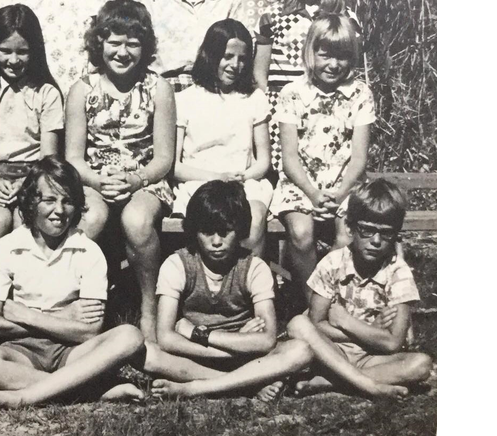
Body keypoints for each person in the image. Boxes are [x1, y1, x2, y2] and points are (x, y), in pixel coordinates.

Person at [0, 156, 145, 407]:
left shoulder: (88, 251)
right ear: (30, 202)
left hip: (71, 352)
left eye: (68, 201)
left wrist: (26, 315)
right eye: (49, 200)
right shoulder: (8, 246)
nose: (59, 211)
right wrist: (65, 317)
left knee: (130, 336)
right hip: (21, 351)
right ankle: (92, 389)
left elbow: (89, 331)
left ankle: (23, 396)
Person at [65, 0, 175, 340]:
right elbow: (73, 158)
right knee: (91, 219)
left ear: (146, 46)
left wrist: (135, 179)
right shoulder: (82, 89)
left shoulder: (158, 89)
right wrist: (99, 180)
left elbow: (164, 159)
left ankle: (147, 310)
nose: (123, 52)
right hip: (93, 179)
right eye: (114, 42)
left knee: (137, 221)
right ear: (99, 42)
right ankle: (77, 305)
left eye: (133, 43)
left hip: (143, 179)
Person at [143, 180, 311, 399]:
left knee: (300, 351)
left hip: (233, 353)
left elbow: (267, 339)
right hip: (198, 355)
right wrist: (230, 348)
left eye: (225, 232)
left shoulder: (254, 267)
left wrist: (200, 334)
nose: (216, 242)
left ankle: (196, 387)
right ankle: (246, 383)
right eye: (206, 232)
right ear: (194, 231)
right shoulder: (177, 265)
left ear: (239, 230)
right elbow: (165, 337)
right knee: (148, 353)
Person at [0, 5, 65, 315]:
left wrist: (24, 184)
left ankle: (23, 303)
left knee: (24, 222)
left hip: (33, 176)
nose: (13, 60)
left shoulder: (46, 93)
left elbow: (49, 156)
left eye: (23, 51)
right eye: (5, 51)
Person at [286, 179, 433, 398]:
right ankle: (368, 384)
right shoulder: (332, 263)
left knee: (421, 364)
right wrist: (373, 331)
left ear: (396, 234)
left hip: (372, 357)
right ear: (349, 227)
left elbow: (393, 342)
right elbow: (316, 324)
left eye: (386, 234)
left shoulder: (398, 272)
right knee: (298, 324)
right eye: (366, 230)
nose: (375, 241)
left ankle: (330, 383)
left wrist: (346, 321)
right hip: (332, 351)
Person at [271, 14, 373, 298]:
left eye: (341, 56)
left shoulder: (359, 93)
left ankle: (334, 300)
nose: (333, 64)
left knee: (347, 234)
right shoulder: (292, 93)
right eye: (325, 54)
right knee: (302, 233)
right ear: (310, 52)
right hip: (302, 183)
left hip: (345, 182)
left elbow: (359, 158)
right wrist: (313, 194)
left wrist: (339, 195)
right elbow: (289, 157)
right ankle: (309, 305)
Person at [252, 0, 357, 170]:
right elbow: (260, 76)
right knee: (284, 176)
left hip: (328, 112)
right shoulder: (271, 17)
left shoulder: (344, 20)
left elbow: (349, 73)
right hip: (282, 114)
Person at [171, 20, 272, 256]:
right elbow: (174, 165)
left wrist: (241, 177)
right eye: (227, 56)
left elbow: (263, 161)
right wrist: (217, 177)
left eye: (242, 58)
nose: (235, 65)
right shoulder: (186, 99)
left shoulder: (254, 98)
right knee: (210, 224)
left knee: (253, 221)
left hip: (244, 182)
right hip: (199, 182)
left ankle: (247, 288)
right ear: (211, 54)